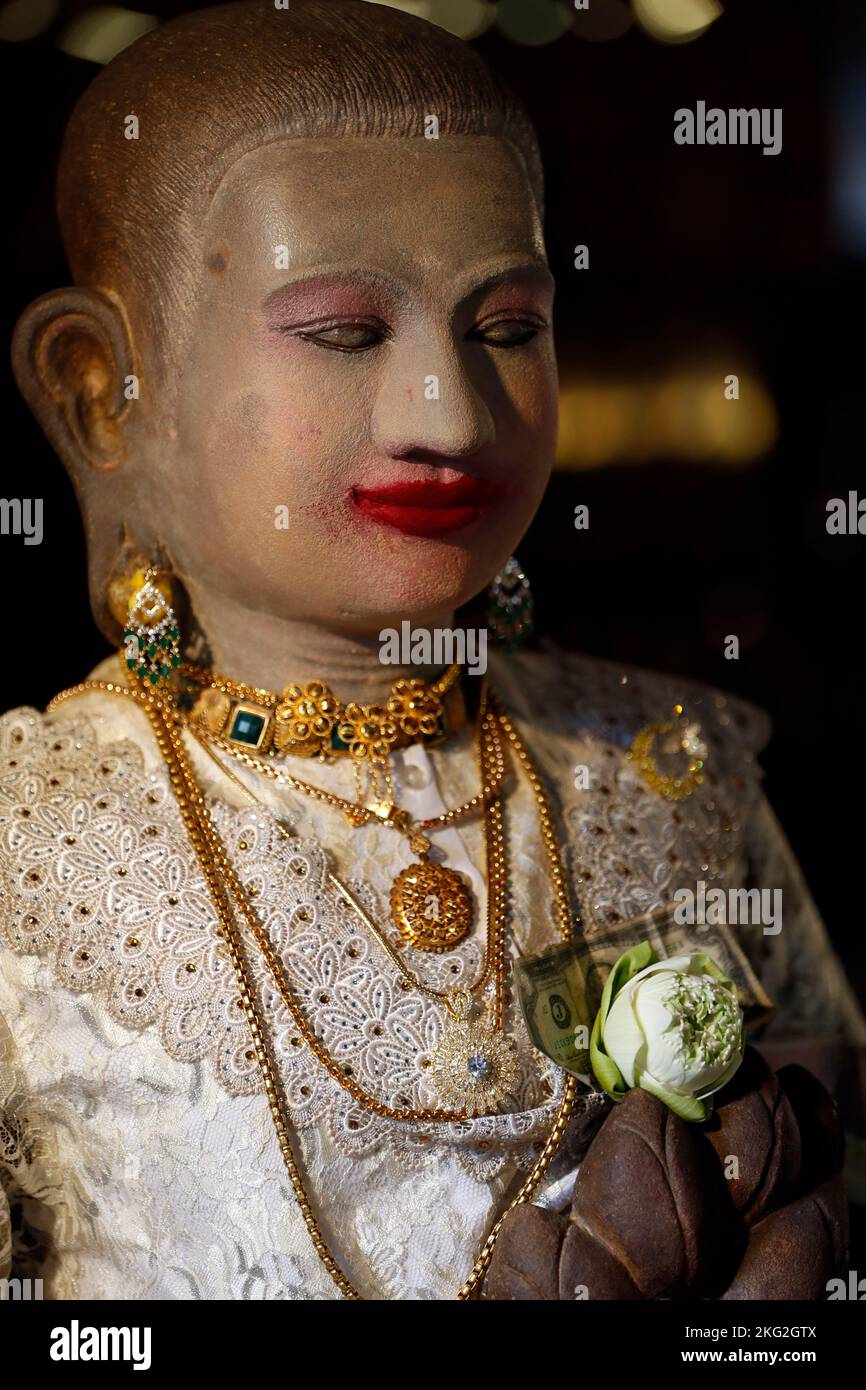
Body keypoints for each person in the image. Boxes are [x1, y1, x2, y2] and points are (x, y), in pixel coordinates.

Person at [1, 0, 862, 1301]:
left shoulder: (667, 771)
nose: (446, 412)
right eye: (346, 332)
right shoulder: (30, 842)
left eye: (506, 328)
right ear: (100, 386)